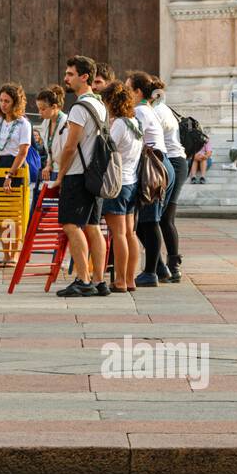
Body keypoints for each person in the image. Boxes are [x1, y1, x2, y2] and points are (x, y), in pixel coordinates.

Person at [53, 55, 109, 298]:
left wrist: (60, 175)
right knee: (93, 226)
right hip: (94, 175)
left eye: (70, 74)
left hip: (77, 174)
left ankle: (83, 278)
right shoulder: (99, 105)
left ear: (84, 76)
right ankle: (99, 280)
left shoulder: (78, 107)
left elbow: (69, 146)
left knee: (71, 225)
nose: (66, 78)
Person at [127, 70, 173, 288]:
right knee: (141, 223)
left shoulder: (139, 112)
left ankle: (150, 272)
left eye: (128, 89)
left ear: (137, 91)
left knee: (149, 221)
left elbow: (133, 139)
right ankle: (160, 268)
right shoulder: (147, 109)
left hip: (153, 167)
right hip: (160, 165)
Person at [0, 82, 32, 268]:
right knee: (3, 214)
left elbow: (23, 151)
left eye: (7, 101)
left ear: (15, 103)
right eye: (1, 100)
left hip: (15, 167)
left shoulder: (23, 124)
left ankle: (14, 254)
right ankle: (5, 254)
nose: (3, 104)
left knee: (14, 214)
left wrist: (10, 175)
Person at [101, 82, 142, 292]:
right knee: (129, 233)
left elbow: (107, 148)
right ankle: (130, 279)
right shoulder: (134, 123)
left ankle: (119, 281)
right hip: (131, 181)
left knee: (118, 234)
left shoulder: (118, 124)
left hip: (117, 182)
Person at [151, 76, 188, 283]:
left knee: (162, 218)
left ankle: (170, 266)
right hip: (173, 162)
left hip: (171, 162)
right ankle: (165, 266)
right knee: (162, 218)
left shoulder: (156, 111)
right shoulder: (160, 108)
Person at [36, 85, 68, 184]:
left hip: (66, 172)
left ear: (54, 107)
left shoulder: (66, 122)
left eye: (43, 109)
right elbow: (50, 149)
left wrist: (60, 175)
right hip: (53, 169)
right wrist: (48, 165)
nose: (40, 112)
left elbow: (68, 152)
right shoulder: (45, 123)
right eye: (39, 109)